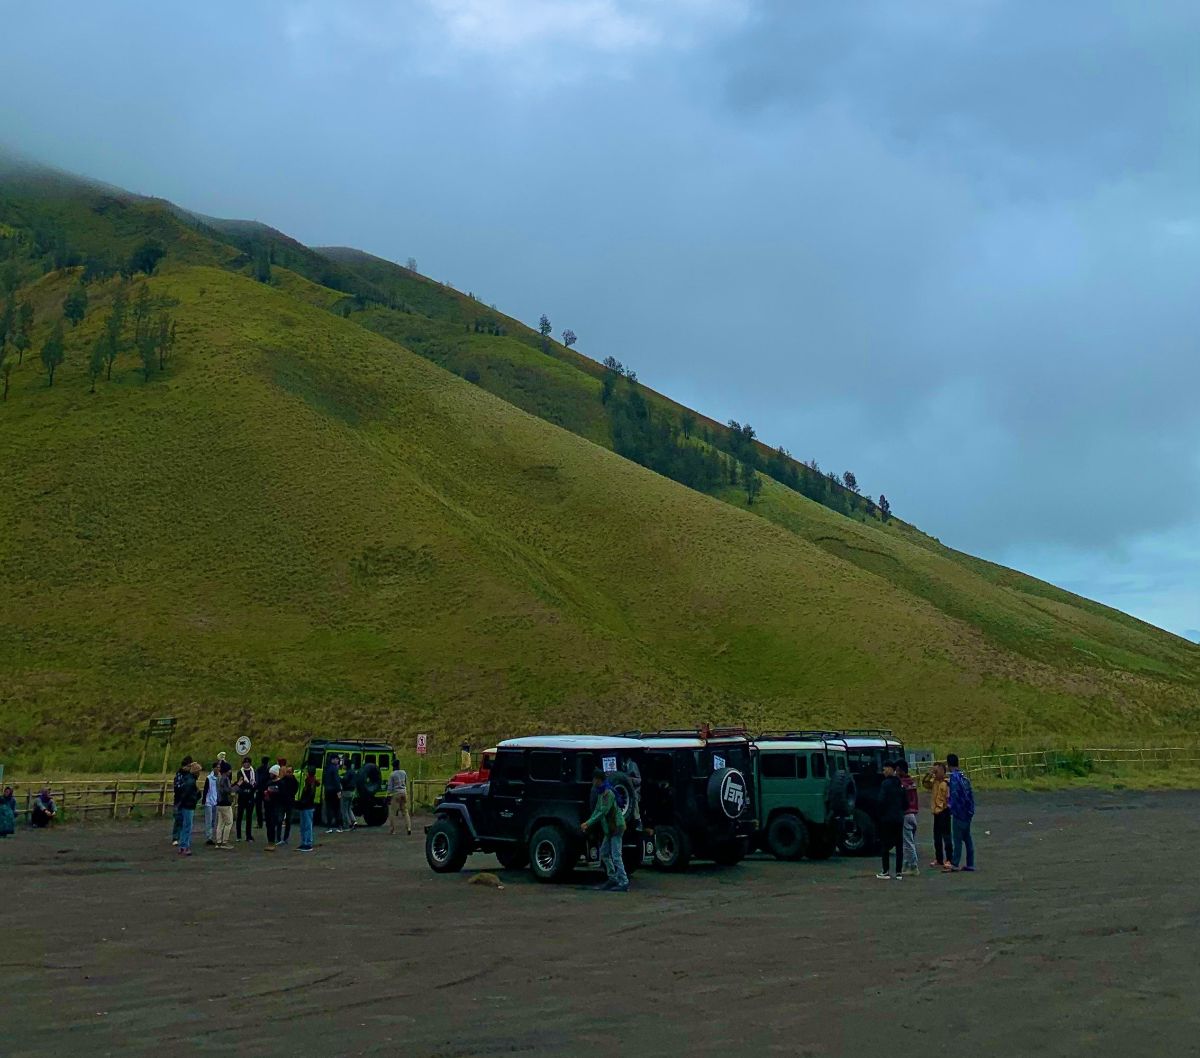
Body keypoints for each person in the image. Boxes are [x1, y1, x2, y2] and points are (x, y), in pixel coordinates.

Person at [581, 768, 629, 893]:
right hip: (609, 829)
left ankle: (624, 881)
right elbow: (597, 810)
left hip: (616, 827)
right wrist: (588, 822)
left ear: (598, 780)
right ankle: (612, 878)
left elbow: (603, 811)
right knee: (604, 853)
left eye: (594, 779)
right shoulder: (601, 793)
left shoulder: (608, 793)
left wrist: (589, 823)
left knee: (616, 855)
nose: (592, 781)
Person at [946, 753, 976, 873]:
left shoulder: (954, 777)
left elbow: (954, 795)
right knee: (967, 838)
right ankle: (970, 863)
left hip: (959, 812)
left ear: (948, 764)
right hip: (967, 812)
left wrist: (950, 808)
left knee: (957, 839)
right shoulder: (964, 777)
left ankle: (955, 863)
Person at [875, 761, 906, 880]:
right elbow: (905, 802)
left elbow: (881, 801)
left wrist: (881, 814)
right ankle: (898, 872)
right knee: (899, 845)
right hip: (899, 818)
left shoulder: (885, 784)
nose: (883, 772)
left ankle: (885, 870)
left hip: (887, 819)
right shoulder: (900, 783)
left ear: (890, 769)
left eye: (884, 769)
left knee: (885, 845)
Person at [922, 762, 951, 867]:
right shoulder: (934, 782)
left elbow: (949, 798)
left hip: (944, 811)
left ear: (943, 771)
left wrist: (947, 807)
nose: (935, 773)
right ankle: (939, 859)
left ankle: (949, 859)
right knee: (937, 837)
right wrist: (929, 773)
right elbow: (924, 783)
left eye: (937, 770)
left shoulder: (946, 783)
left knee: (946, 836)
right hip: (936, 812)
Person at [898, 760, 920, 876]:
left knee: (908, 842)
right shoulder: (911, 782)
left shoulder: (901, 783)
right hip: (913, 813)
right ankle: (906, 864)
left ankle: (914, 866)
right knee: (908, 841)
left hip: (905, 814)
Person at [176, 762, 202, 856]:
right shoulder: (191, 782)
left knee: (184, 826)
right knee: (187, 826)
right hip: (188, 805)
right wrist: (196, 797)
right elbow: (188, 794)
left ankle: (182, 846)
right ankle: (185, 846)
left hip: (185, 805)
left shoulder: (187, 779)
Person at [171, 755, 194, 846]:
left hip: (187, 801)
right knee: (178, 819)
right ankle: (176, 837)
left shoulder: (190, 776)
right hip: (179, 800)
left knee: (187, 821)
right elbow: (177, 787)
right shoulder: (179, 775)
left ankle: (184, 839)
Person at [296, 766, 318, 852]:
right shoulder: (310, 782)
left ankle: (307, 843)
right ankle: (305, 842)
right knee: (305, 825)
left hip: (307, 806)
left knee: (306, 825)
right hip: (307, 806)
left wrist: (302, 802)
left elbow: (309, 795)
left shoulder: (310, 782)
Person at [235, 756, 256, 842]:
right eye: (245, 762)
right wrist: (250, 785)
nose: (246, 764)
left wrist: (252, 787)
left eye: (248, 762)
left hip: (250, 795)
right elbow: (241, 783)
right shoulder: (240, 772)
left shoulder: (253, 772)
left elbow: (255, 782)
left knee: (249, 817)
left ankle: (248, 835)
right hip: (242, 796)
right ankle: (238, 835)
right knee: (239, 816)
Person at [276, 764, 299, 846]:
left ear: (292, 772)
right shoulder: (282, 781)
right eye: (287, 772)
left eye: (289, 772)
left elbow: (295, 791)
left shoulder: (295, 782)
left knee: (288, 821)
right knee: (279, 820)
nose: (288, 773)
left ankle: (285, 838)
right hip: (282, 803)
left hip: (290, 803)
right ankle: (278, 838)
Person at [387, 760, 411, 836]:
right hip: (404, 792)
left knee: (393, 812)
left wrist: (388, 795)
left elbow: (390, 787)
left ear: (393, 766)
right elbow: (406, 782)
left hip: (396, 793)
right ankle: (409, 828)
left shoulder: (392, 774)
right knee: (405, 811)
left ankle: (392, 830)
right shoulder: (403, 772)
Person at [263, 764, 282, 851]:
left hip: (275, 807)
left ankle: (273, 842)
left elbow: (281, 794)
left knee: (272, 824)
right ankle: (269, 841)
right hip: (268, 806)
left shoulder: (280, 783)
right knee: (268, 825)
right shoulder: (269, 782)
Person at [323, 755, 343, 834]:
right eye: (337, 759)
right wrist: (339, 790)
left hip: (327, 790)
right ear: (333, 760)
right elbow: (336, 780)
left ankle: (329, 827)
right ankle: (339, 826)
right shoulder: (335, 768)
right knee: (337, 808)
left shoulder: (327, 768)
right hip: (334, 790)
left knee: (329, 808)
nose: (338, 761)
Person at [202, 762, 220, 845]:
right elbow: (205, 790)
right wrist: (204, 800)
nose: (218, 769)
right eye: (216, 767)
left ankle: (213, 836)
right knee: (208, 820)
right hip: (209, 801)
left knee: (214, 820)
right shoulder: (209, 778)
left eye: (219, 767)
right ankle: (209, 837)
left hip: (216, 801)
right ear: (213, 768)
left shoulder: (219, 778)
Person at [340, 757, 359, 831]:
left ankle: (346, 825)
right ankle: (354, 821)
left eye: (344, 764)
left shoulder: (348, 772)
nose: (343, 766)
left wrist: (339, 778)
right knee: (349, 808)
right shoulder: (353, 771)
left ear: (346, 765)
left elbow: (344, 780)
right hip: (352, 792)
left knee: (344, 809)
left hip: (346, 792)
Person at [254, 755, 271, 829]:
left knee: (258, 807)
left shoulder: (258, 769)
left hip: (259, 790)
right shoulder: (269, 770)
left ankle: (259, 823)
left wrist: (256, 788)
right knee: (267, 807)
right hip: (267, 790)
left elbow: (257, 780)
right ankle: (268, 821)